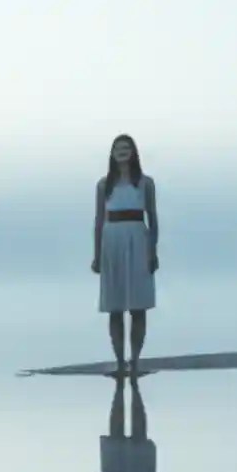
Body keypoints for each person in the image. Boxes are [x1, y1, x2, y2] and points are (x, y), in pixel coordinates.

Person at [91, 134, 158, 377]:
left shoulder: (145, 183)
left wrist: (153, 250)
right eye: (117, 148)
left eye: (126, 147)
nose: (122, 151)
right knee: (115, 306)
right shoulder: (103, 185)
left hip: (137, 239)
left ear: (133, 152)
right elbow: (98, 221)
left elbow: (152, 217)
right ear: (112, 153)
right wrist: (96, 255)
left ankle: (136, 361)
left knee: (138, 306)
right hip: (112, 241)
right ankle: (120, 363)